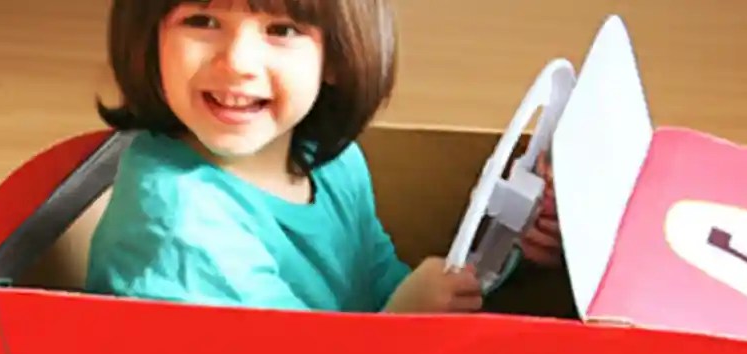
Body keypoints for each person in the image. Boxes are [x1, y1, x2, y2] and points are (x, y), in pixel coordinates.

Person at [85, 0, 563, 314]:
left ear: (335, 57)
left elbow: (376, 281)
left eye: (282, 29)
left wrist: (498, 256)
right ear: (149, 39)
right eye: (203, 22)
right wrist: (402, 320)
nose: (238, 62)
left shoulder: (332, 163)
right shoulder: (180, 224)